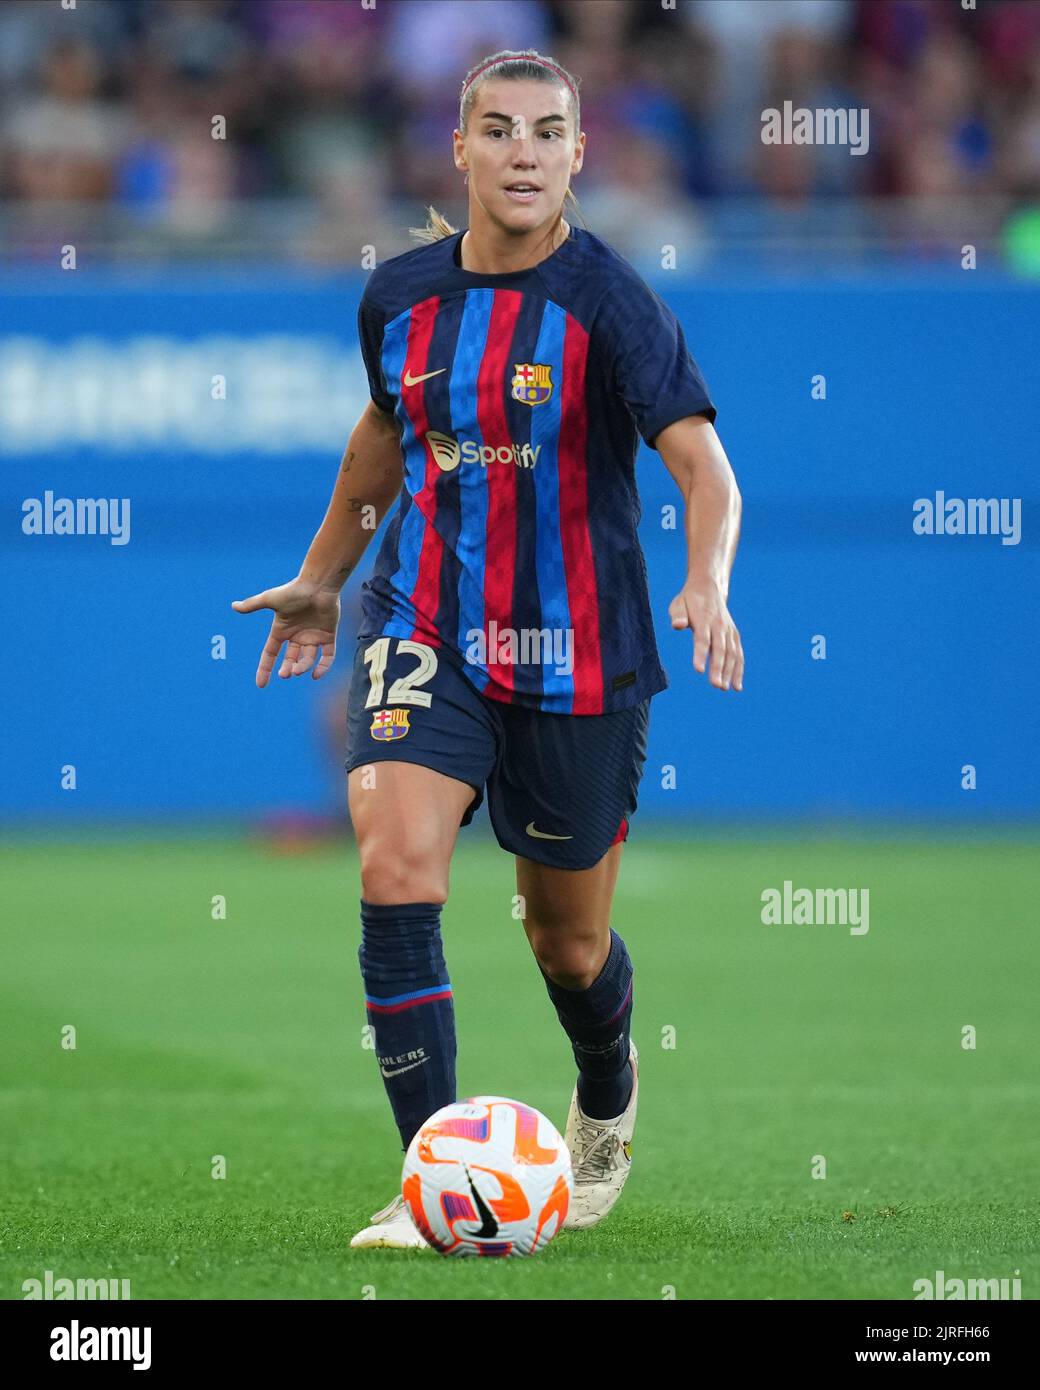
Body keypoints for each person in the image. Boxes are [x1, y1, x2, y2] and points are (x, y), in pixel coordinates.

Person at [232, 48, 743, 1250]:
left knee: (563, 939)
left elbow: (702, 467)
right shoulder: (397, 296)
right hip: (425, 622)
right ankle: (431, 1183)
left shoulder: (612, 303)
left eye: (548, 132)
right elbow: (380, 431)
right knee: (394, 867)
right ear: (458, 150)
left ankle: (606, 1083)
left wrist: (707, 580)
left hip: (580, 651)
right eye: (500, 130)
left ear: (576, 156)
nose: (524, 152)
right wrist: (323, 580)